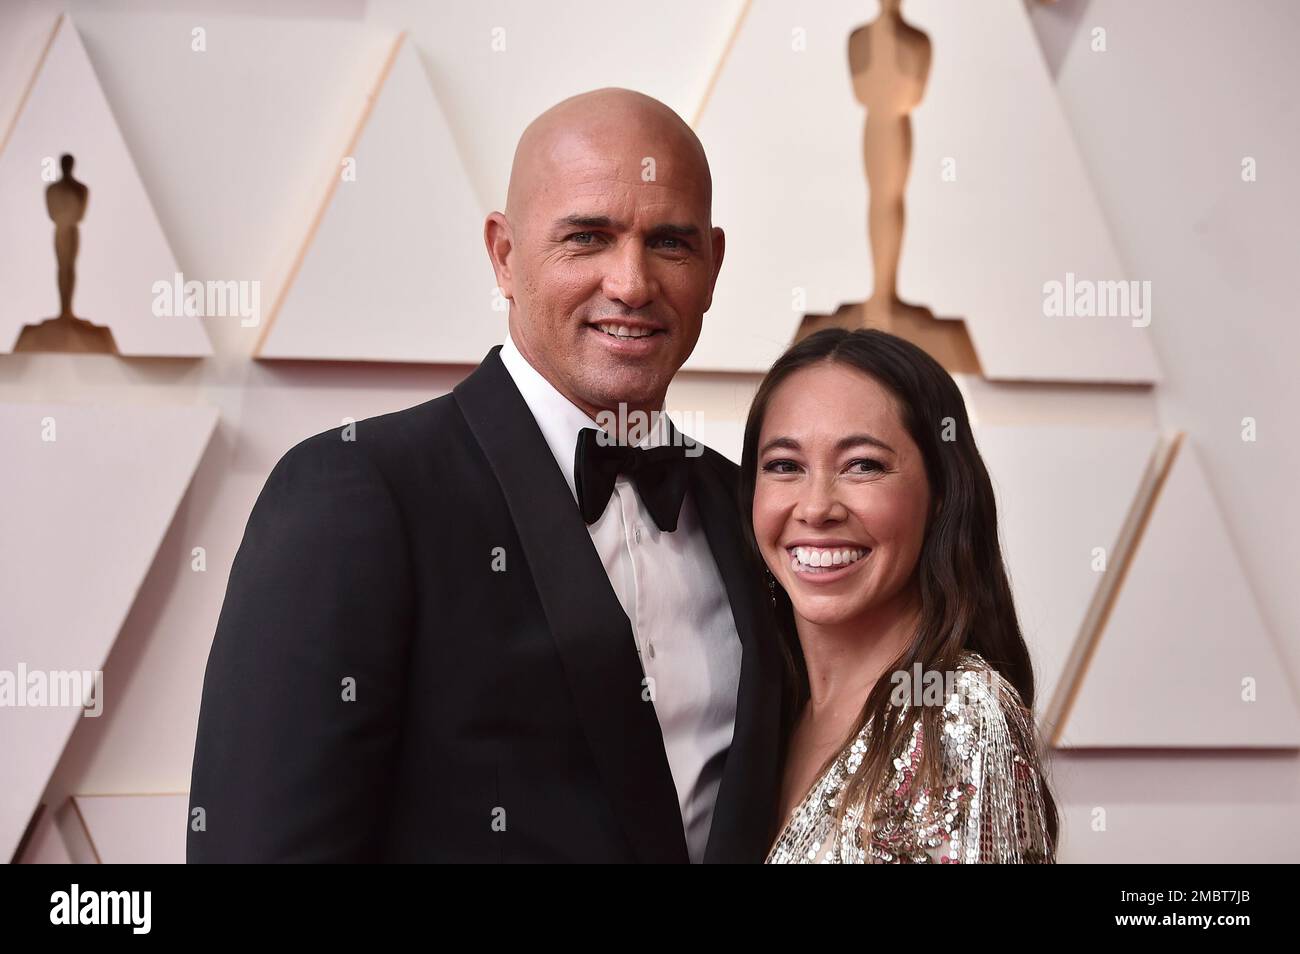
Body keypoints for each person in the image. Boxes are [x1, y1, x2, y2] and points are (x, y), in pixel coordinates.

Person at [186, 88, 787, 863]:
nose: (632, 283)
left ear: (712, 265)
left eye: (669, 243)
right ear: (504, 256)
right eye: (588, 238)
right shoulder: (357, 493)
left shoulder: (757, 512)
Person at [741, 327, 1058, 863]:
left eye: (862, 465)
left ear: (941, 495)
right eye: (785, 466)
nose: (816, 507)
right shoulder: (763, 705)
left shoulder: (959, 711)